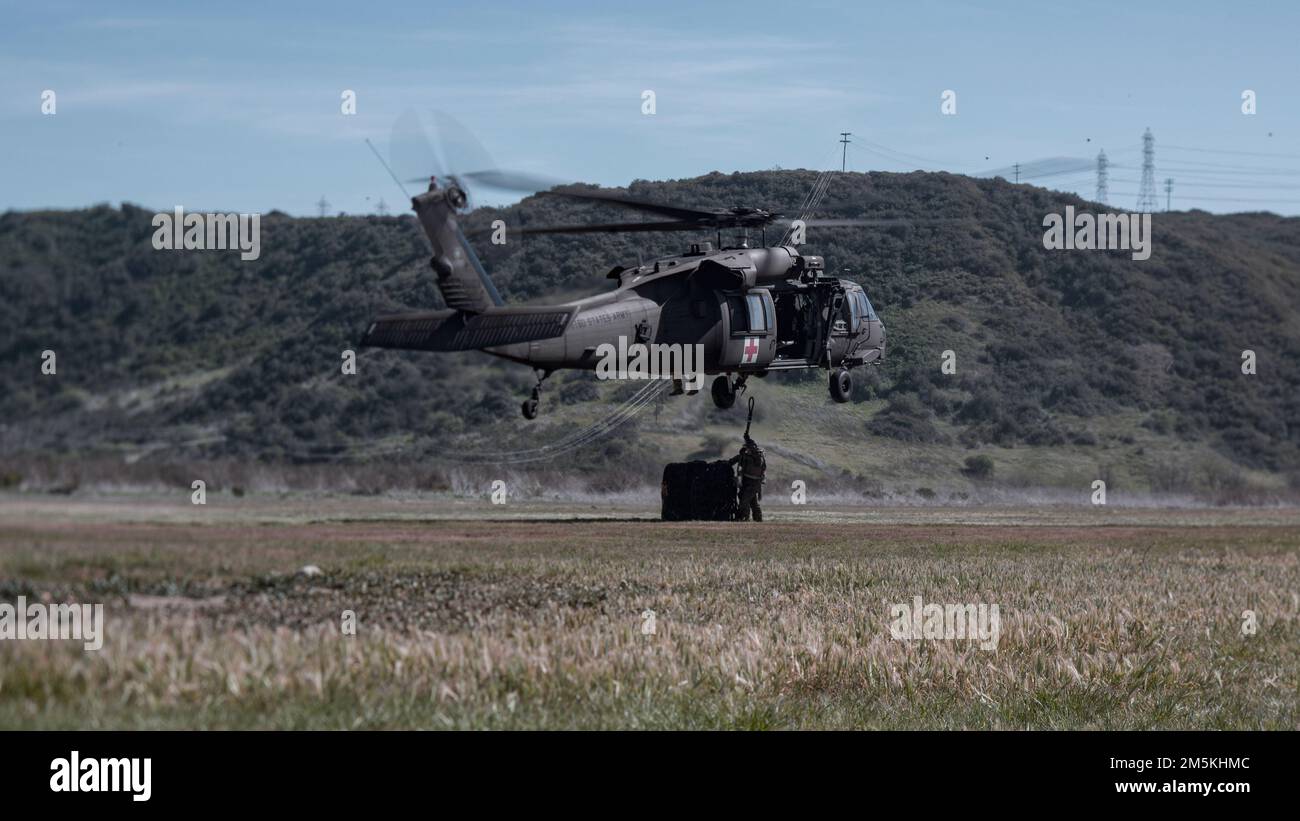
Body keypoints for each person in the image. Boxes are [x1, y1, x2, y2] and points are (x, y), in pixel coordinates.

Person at [729, 435, 766, 522]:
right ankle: (758, 519)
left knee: (744, 502)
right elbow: (731, 462)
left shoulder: (756, 457)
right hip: (747, 483)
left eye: (747, 448)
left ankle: (743, 518)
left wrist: (748, 440)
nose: (747, 450)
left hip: (753, 484)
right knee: (753, 502)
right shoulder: (745, 456)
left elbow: (732, 461)